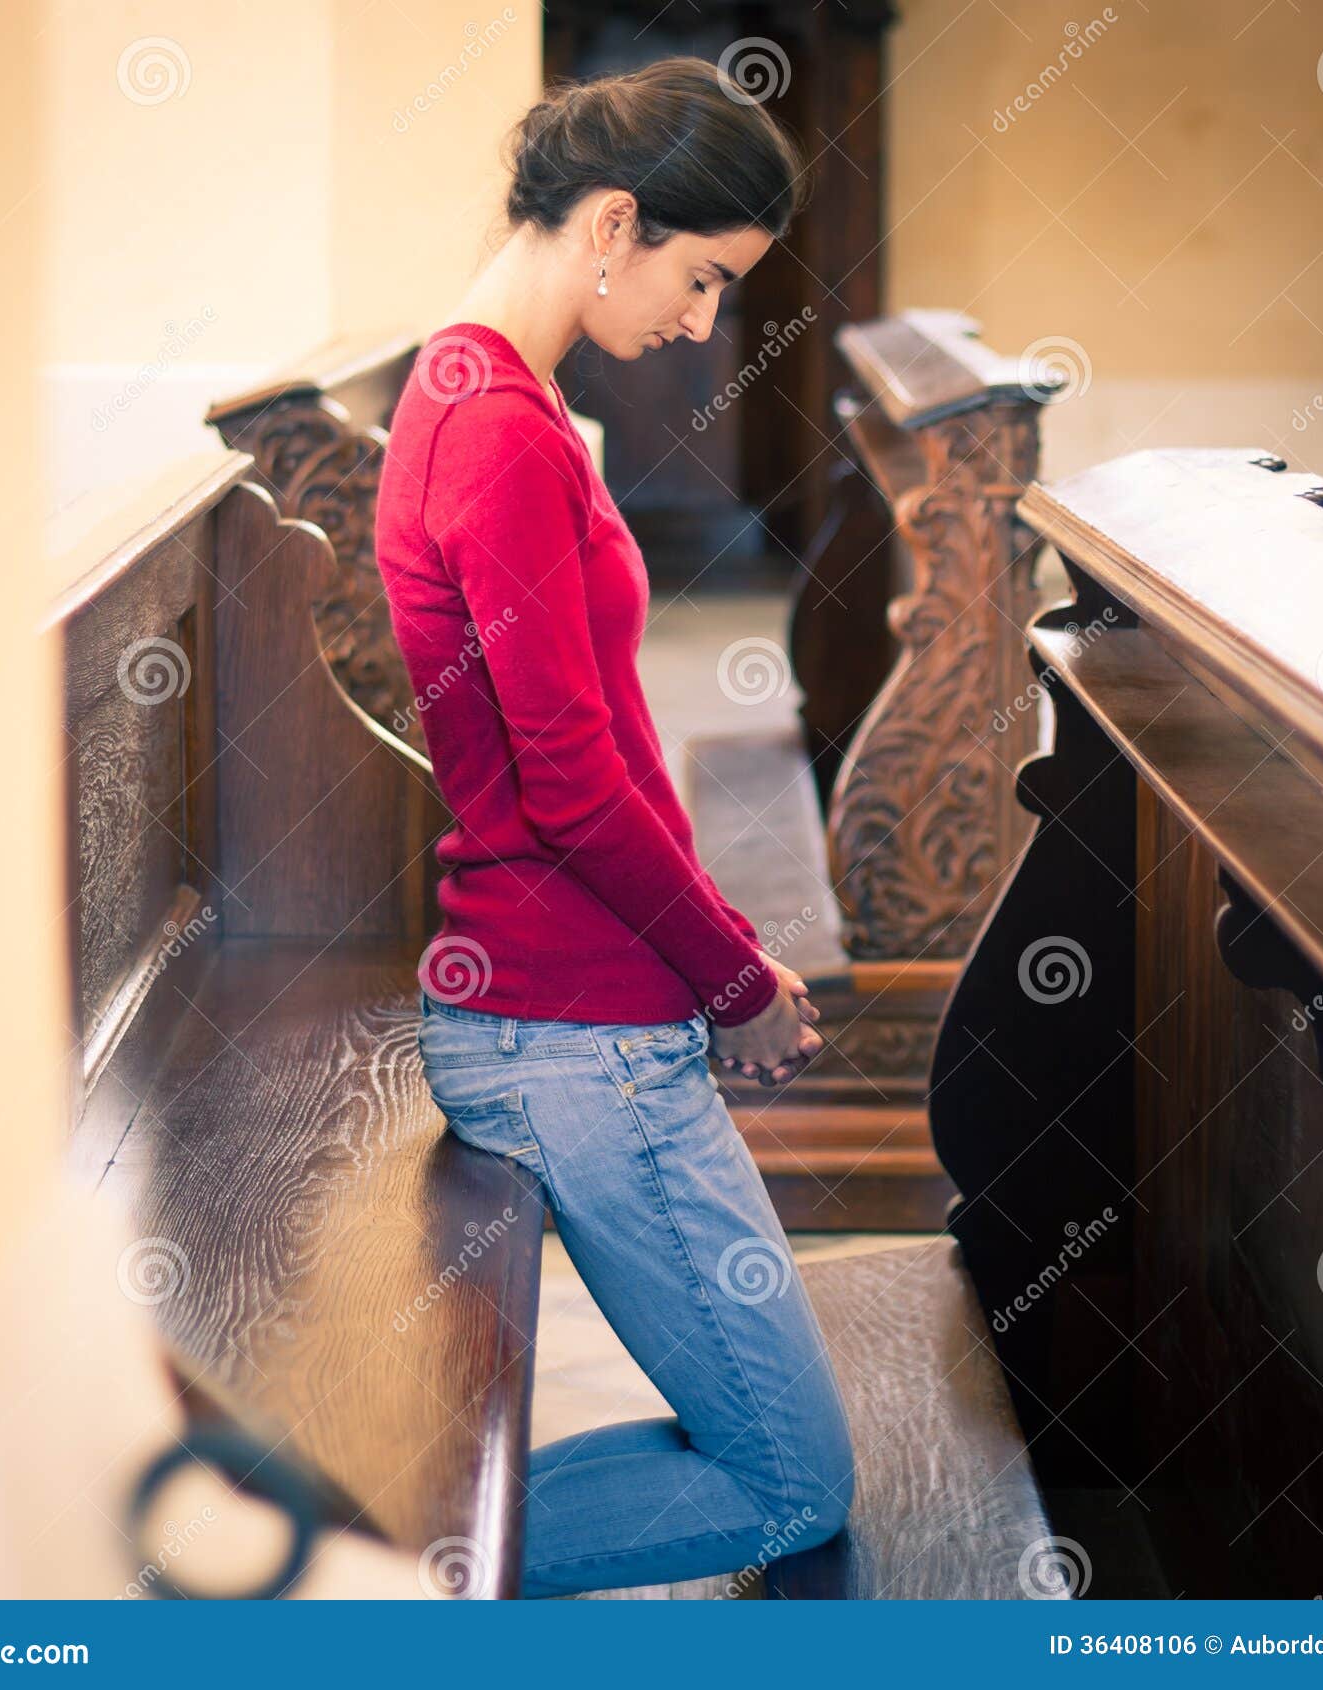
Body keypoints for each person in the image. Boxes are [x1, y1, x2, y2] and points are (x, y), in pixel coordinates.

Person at [374, 55, 854, 1600]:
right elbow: (572, 784)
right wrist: (732, 978)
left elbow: (604, 740)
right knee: (793, 1482)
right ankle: (367, 1575)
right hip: (568, 1024)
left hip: (572, 1003)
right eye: (702, 279)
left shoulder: (492, 399)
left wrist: (712, 952)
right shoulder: (499, 427)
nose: (704, 324)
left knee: (783, 1462)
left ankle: (392, 1559)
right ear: (614, 222)